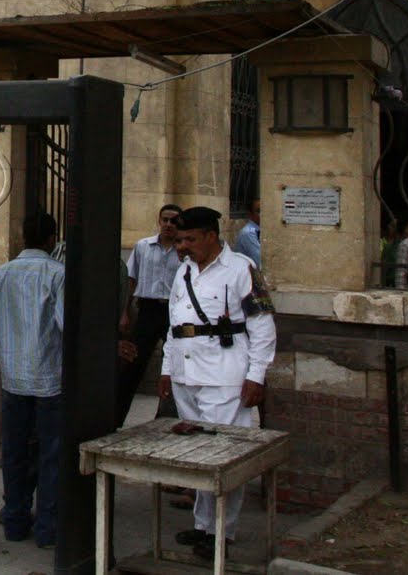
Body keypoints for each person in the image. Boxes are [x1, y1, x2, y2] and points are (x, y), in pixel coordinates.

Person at [159, 206, 277, 559]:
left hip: (224, 375)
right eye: (180, 240)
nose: (182, 246)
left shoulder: (241, 268)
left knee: (224, 456)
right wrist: (166, 369)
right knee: (196, 452)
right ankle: (202, 525)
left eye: (190, 239)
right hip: (185, 372)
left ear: (211, 236)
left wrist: (256, 375)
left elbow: (262, 325)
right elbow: (173, 325)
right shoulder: (184, 271)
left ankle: (222, 532)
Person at [0, 211, 67, 548]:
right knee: (51, 455)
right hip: (50, 379)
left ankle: (14, 520)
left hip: (14, 378)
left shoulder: (3, 273)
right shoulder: (58, 274)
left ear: (23, 237)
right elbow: (66, 324)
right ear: (52, 239)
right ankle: (47, 528)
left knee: (14, 452)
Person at [117, 203, 183, 426]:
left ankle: (164, 418)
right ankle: (116, 417)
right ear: (159, 221)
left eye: (174, 221)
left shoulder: (184, 251)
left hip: (174, 311)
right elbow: (131, 280)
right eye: (165, 219)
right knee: (133, 362)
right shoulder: (143, 246)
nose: (168, 224)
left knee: (172, 365)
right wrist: (125, 312)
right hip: (147, 309)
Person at [233, 198, 262, 268]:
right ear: (250, 214)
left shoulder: (261, 229)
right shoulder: (248, 233)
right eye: (258, 211)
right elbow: (260, 262)